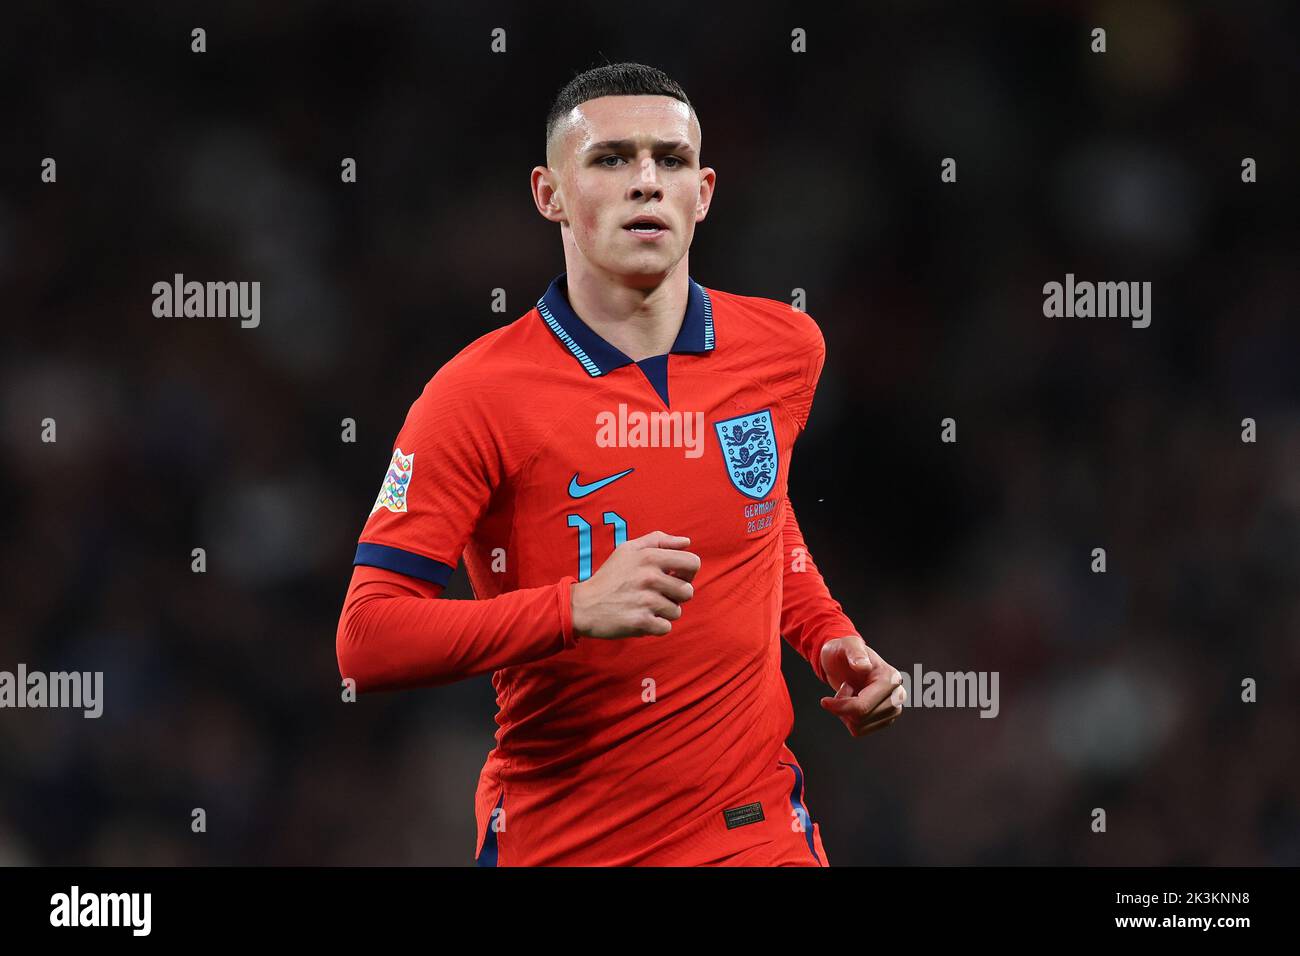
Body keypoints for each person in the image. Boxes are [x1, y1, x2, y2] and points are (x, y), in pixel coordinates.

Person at [336, 61, 905, 866]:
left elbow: (758, 510)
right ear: (549, 194)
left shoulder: (783, 350)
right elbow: (367, 639)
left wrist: (826, 633)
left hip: (752, 830)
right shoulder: (474, 396)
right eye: (610, 159)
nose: (646, 182)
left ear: (703, 192)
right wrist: (570, 609)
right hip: (569, 838)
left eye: (669, 160)